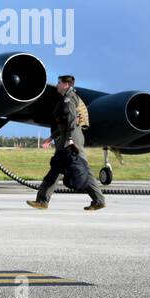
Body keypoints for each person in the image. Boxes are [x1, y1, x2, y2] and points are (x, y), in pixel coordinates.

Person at [28, 75, 106, 211]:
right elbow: (64, 123)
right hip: (68, 136)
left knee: (80, 167)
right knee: (58, 167)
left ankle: (98, 200)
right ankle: (42, 200)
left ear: (66, 85)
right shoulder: (67, 98)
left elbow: (70, 120)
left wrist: (70, 140)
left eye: (59, 83)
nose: (57, 85)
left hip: (71, 137)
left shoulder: (69, 99)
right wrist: (51, 138)